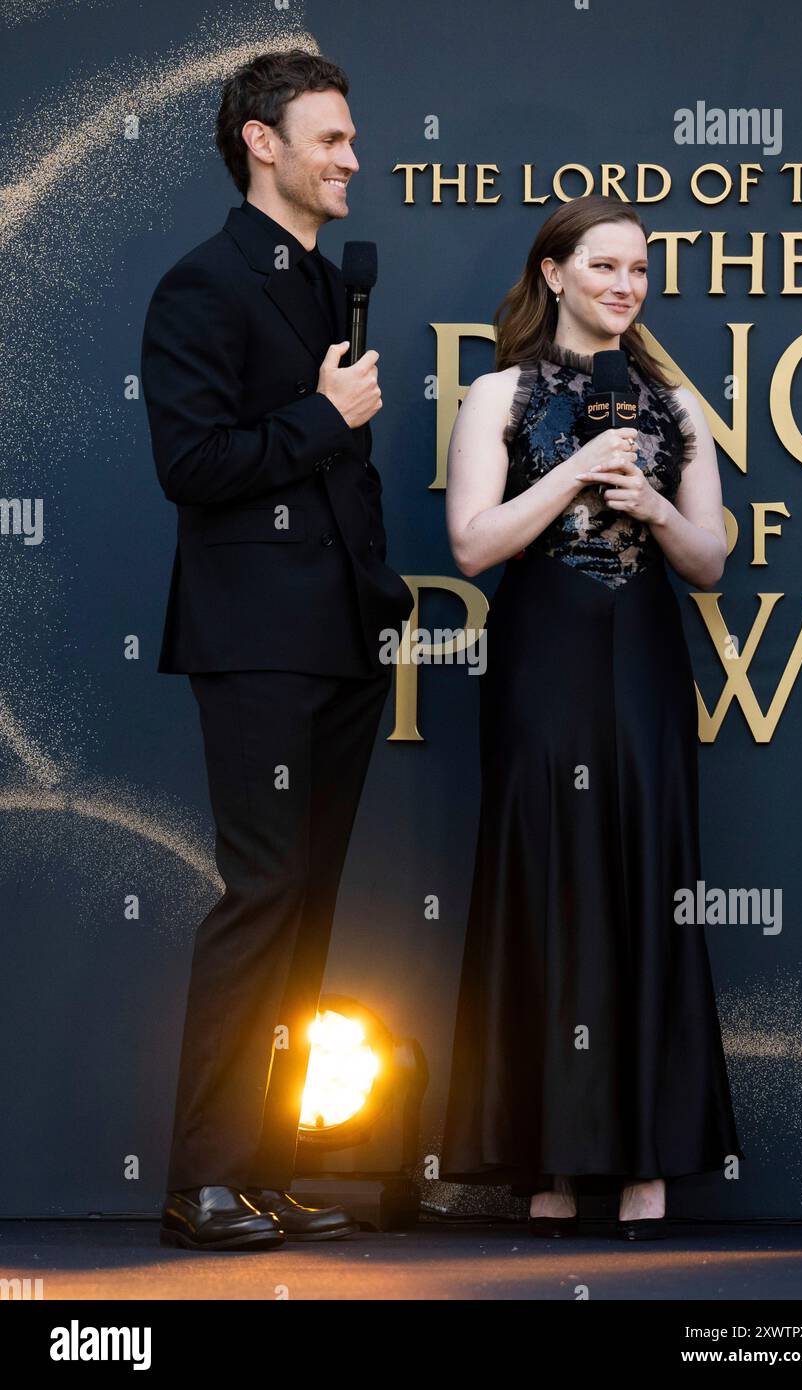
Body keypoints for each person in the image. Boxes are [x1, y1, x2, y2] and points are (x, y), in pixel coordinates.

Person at [140, 49, 413, 1251]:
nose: (354, 157)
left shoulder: (315, 287)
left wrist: (381, 597)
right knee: (262, 899)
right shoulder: (203, 286)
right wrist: (321, 418)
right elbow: (190, 467)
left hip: (340, 639)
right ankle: (198, 1179)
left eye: (352, 138)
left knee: (302, 911)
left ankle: (259, 1168)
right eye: (333, 138)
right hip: (256, 643)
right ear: (263, 142)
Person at [439, 193, 744, 1240]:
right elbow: (472, 545)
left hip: (644, 663)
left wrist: (656, 509)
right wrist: (571, 468)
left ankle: (645, 1158)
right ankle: (549, 1157)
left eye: (639, 270)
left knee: (648, 882)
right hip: (541, 662)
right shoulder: (498, 395)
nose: (625, 286)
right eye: (605, 266)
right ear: (553, 273)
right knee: (545, 878)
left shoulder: (673, 405)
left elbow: (709, 564)